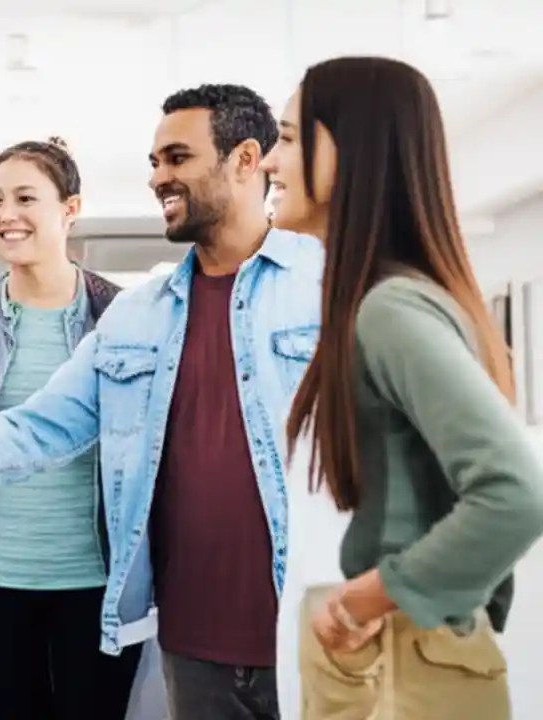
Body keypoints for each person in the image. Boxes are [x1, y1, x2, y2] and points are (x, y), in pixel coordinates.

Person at [0, 83, 324, 719]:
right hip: (193, 647)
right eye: (155, 162)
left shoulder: (328, 283)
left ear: (246, 160)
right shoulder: (140, 314)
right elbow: (38, 428)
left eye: (178, 158)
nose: (160, 177)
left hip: (316, 636)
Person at [262, 55, 543, 719]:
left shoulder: (389, 309)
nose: (272, 161)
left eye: (290, 137)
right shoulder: (388, 301)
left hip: (396, 663)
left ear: (351, 152)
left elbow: (515, 494)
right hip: (389, 655)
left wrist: (369, 597)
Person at [0, 136, 144, 719]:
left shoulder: (121, 316)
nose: (6, 215)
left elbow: (145, 457)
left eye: (25, 198)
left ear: (70, 208)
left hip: (94, 586)